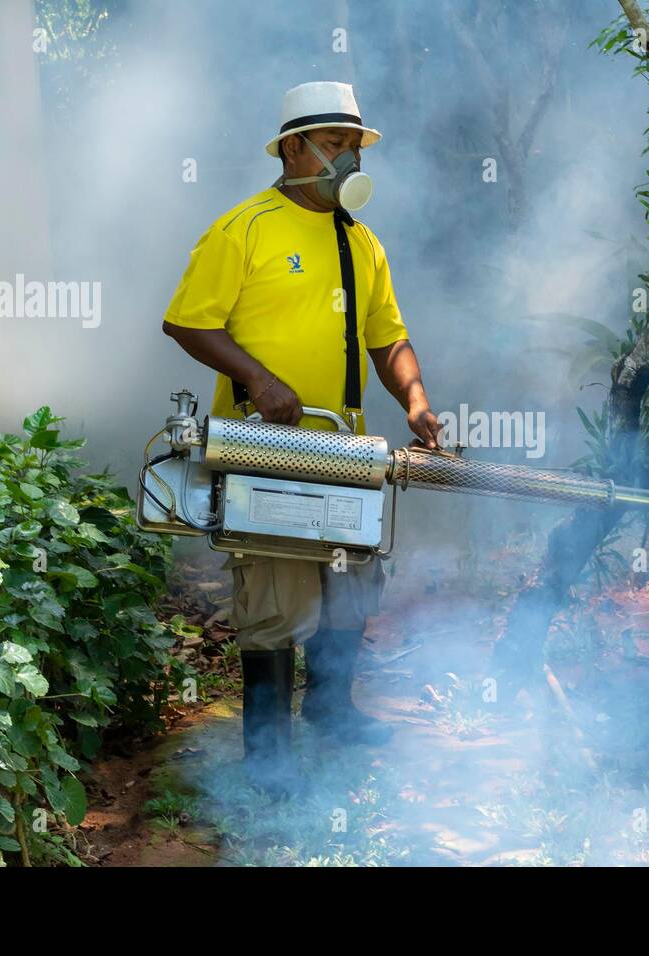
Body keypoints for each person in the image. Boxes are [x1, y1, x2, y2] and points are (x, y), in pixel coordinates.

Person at [161, 80, 442, 796]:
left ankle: (332, 713)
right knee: (274, 599)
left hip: (344, 449)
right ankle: (268, 756)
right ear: (294, 148)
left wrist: (413, 399)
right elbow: (188, 320)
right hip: (264, 447)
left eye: (354, 146)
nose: (349, 159)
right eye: (336, 144)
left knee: (350, 582)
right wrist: (258, 378)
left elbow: (388, 337)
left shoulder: (362, 242)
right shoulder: (244, 229)